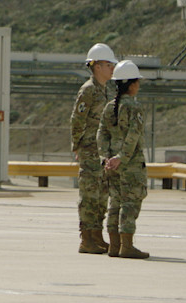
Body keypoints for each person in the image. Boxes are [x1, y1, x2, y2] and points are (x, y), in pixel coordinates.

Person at [99, 59, 149, 259]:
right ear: (132, 84)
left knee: (115, 202)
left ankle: (114, 245)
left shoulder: (109, 107)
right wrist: (122, 158)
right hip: (130, 165)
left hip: (111, 164)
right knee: (130, 203)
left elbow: (101, 134)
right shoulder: (134, 107)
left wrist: (106, 157)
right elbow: (133, 136)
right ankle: (126, 246)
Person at [71, 42, 117, 254]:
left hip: (101, 152)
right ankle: (86, 238)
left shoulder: (106, 90)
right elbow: (77, 119)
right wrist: (77, 146)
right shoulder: (88, 90)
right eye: (109, 65)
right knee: (89, 194)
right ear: (97, 66)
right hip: (90, 150)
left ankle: (97, 235)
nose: (112, 68)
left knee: (101, 194)